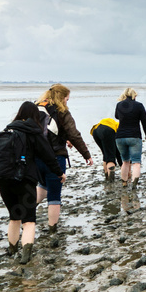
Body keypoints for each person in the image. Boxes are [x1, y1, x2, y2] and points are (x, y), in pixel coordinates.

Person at [0, 101, 65, 264]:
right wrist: (59, 173)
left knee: (14, 217)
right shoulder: (33, 132)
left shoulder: (7, 130)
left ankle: (12, 250)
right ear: (34, 116)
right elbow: (48, 156)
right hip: (24, 180)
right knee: (29, 220)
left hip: (4, 180)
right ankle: (26, 257)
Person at [35, 84, 93, 233]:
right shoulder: (62, 111)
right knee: (54, 195)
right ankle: (52, 229)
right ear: (61, 97)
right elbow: (74, 134)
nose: (67, 102)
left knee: (42, 185)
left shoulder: (36, 108)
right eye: (67, 99)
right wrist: (86, 155)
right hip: (55, 157)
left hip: (36, 158)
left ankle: (24, 212)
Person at [115, 87, 146, 189]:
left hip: (120, 136)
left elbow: (117, 116)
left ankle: (124, 182)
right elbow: (145, 122)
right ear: (134, 95)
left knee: (125, 161)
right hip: (134, 136)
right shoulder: (139, 105)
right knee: (136, 162)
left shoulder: (119, 105)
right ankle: (134, 183)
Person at [90, 116, 121, 181]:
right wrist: (123, 166)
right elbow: (118, 153)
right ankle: (111, 180)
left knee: (106, 154)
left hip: (95, 131)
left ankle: (107, 176)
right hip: (107, 130)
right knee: (110, 157)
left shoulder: (115, 124)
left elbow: (117, 151)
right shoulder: (120, 130)